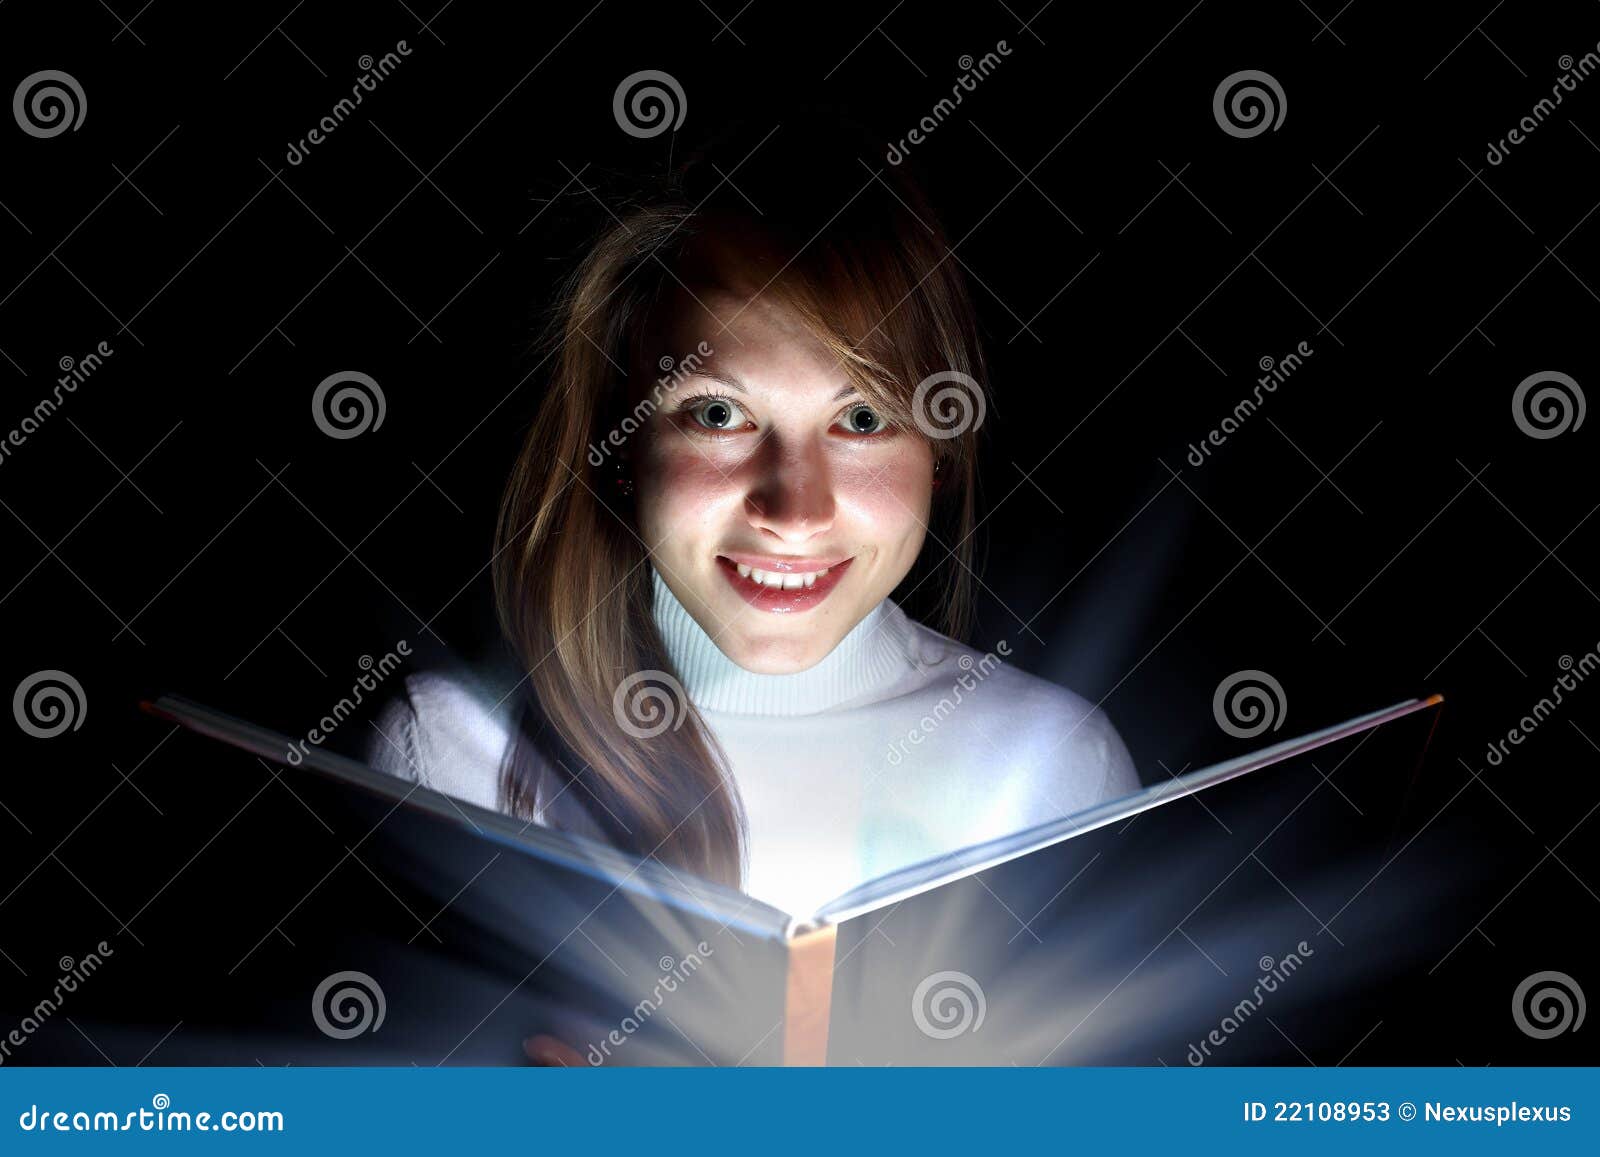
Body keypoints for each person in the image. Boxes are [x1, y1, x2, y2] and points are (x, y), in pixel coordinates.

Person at [366, 112, 1141, 1061]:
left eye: (862, 417)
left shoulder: (1053, 767)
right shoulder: (451, 748)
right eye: (719, 412)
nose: (795, 506)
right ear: (621, 444)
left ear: (941, 448)